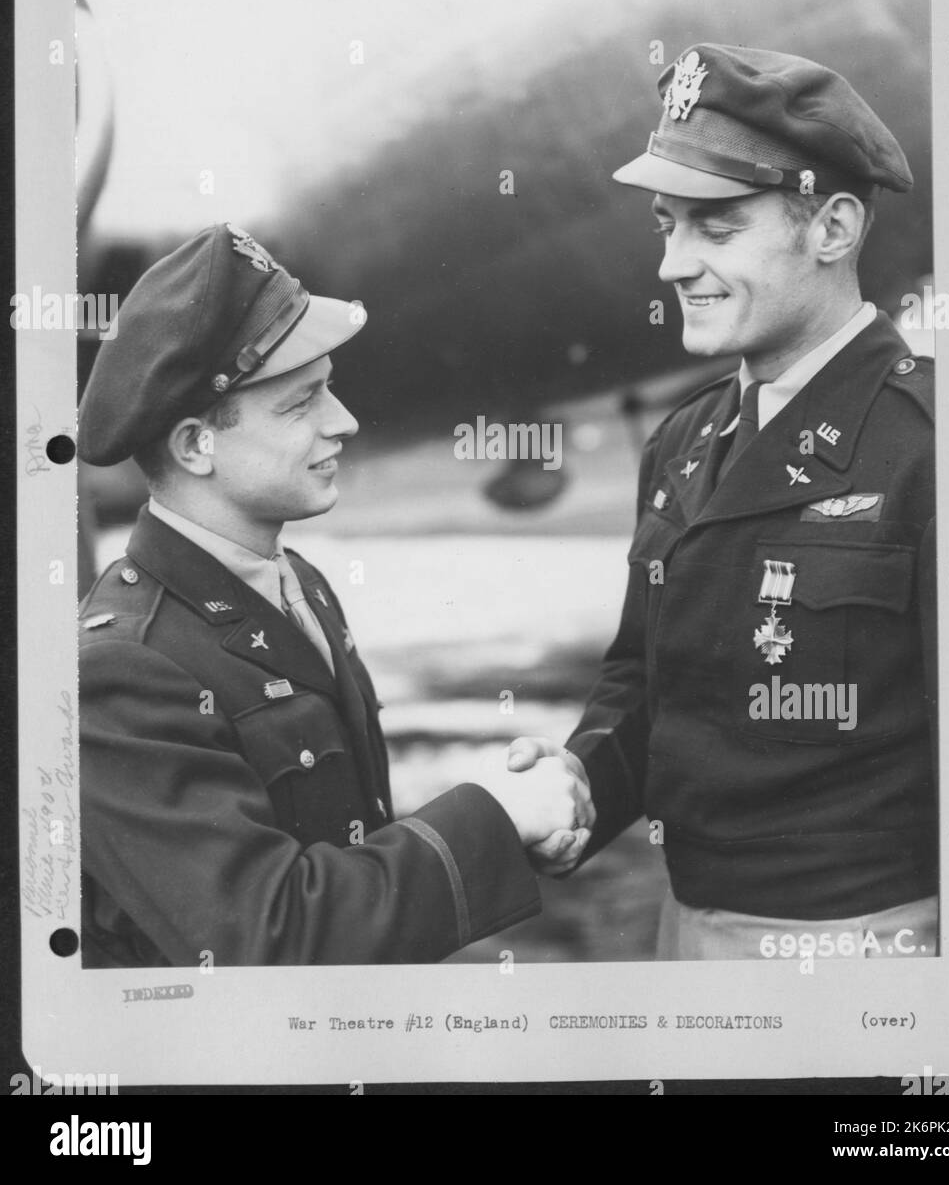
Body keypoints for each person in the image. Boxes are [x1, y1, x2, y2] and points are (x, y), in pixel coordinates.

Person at [509, 44, 937, 960]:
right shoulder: (683, 441)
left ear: (831, 228)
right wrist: (581, 775)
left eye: (714, 227)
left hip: (865, 949)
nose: (671, 264)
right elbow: (645, 681)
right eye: (666, 225)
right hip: (689, 928)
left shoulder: (937, 444)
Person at [77, 222, 592, 967]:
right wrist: (495, 819)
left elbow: (343, 837)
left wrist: (518, 818)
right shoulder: (121, 670)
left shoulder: (298, 586)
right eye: (300, 404)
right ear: (196, 446)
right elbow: (273, 935)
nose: (343, 421)